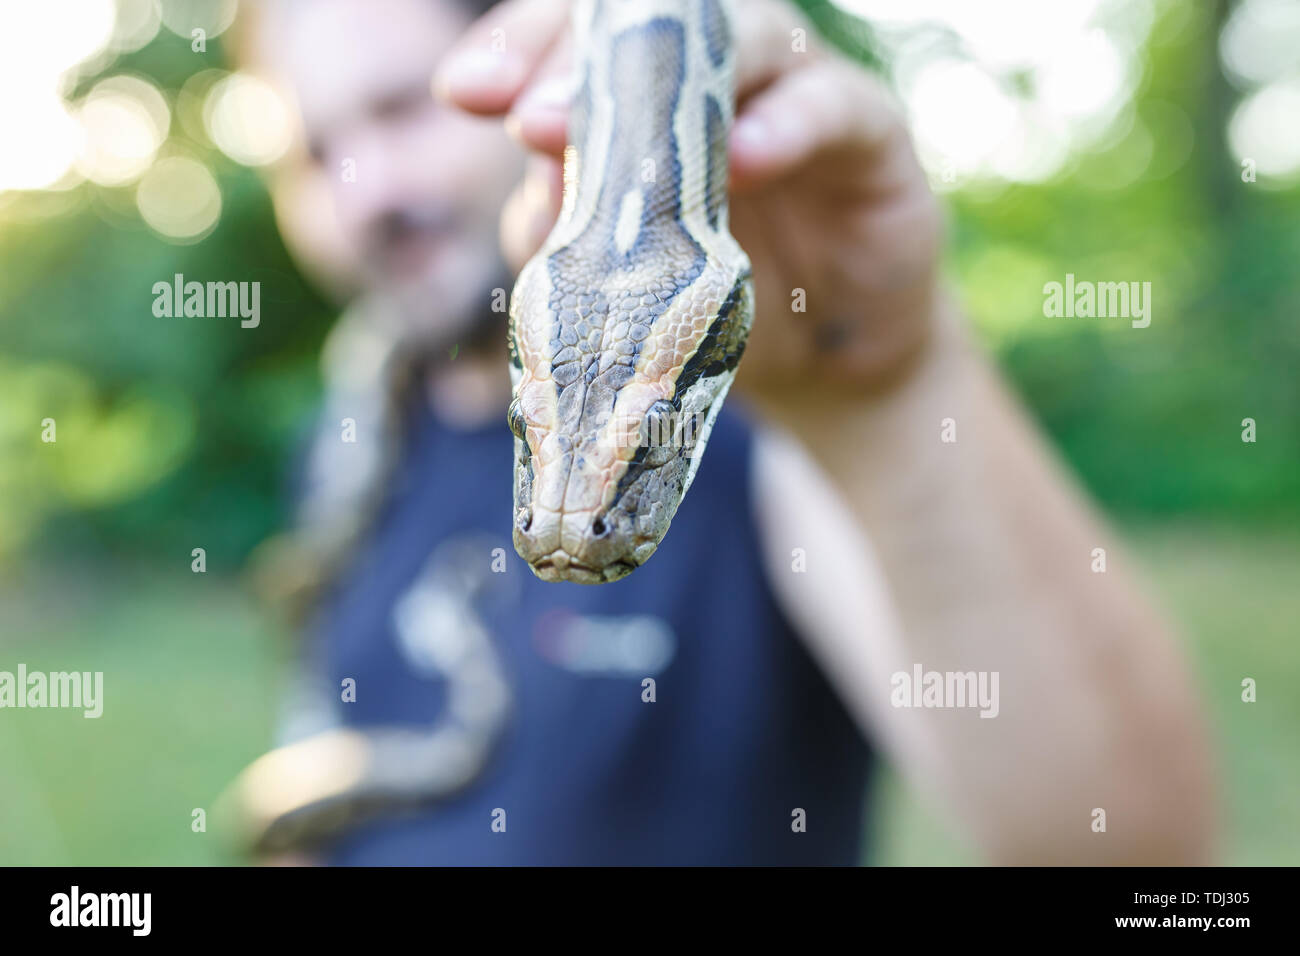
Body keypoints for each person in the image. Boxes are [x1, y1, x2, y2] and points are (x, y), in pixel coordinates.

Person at [229, 0, 1215, 865]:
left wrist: (883, 400)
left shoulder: (777, 440)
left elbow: (1128, 853)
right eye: (312, 152)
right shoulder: (349, 436)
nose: (366, 188)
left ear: (532, 78)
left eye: (403, 106)